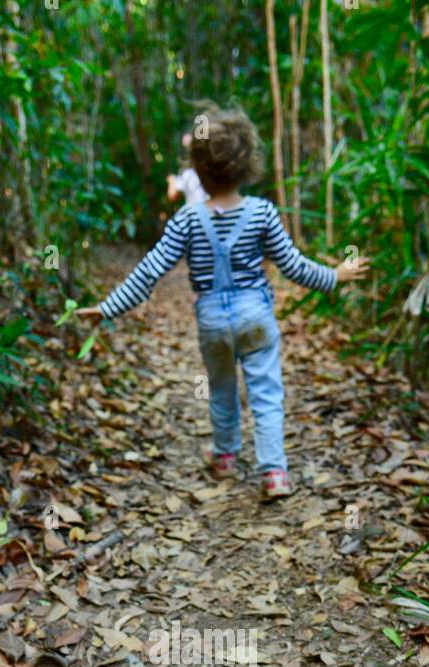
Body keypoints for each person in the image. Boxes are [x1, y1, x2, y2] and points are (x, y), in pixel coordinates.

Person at [78, 105, 369, 500]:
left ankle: (225, 457)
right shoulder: (262, 213)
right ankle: (274, 474)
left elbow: (150, 271)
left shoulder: (186, 221)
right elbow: (295, 267)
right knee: (266, 392)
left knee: (221, 390)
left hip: (212, 320)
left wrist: (108, 307)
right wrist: (336, 275)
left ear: (197, 172)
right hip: (256, 317)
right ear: (249, 164)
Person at [166, 132, 207, 207]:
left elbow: (172, 195)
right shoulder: (212, 169)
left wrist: (172, 181)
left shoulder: (188, 174)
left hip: (195, 216)